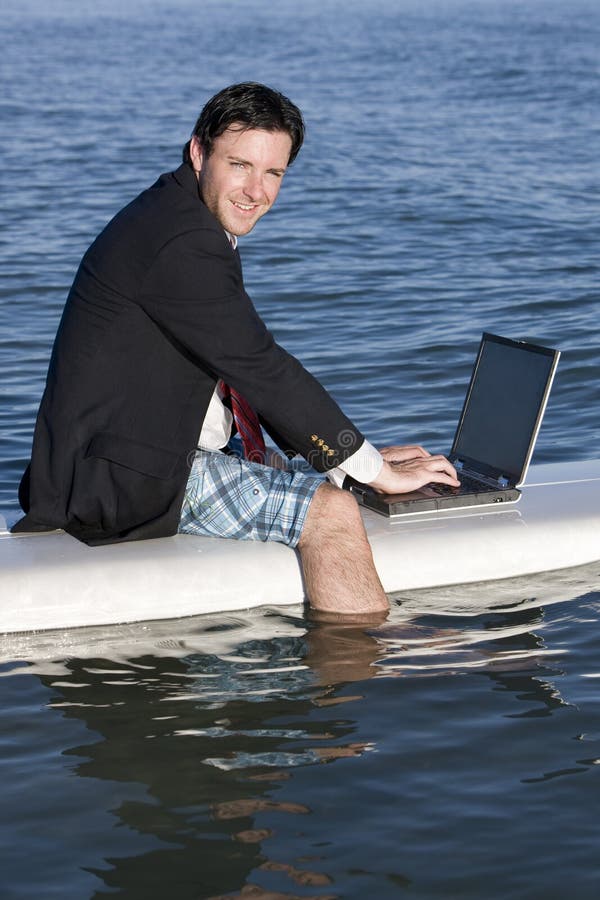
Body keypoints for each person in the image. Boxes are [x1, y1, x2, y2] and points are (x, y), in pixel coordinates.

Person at [13, 82, 459, 617]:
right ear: (199, 152)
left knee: (330, 478)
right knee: (331, 513)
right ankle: (360, 670)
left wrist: (349, 458)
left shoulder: (177, 214)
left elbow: (235, 368)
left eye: (273, 173)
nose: (256, 190)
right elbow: (260, 365)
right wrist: (371, 474)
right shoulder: (182, 243)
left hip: (133, 451)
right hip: (119, 481)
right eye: (240, 165)